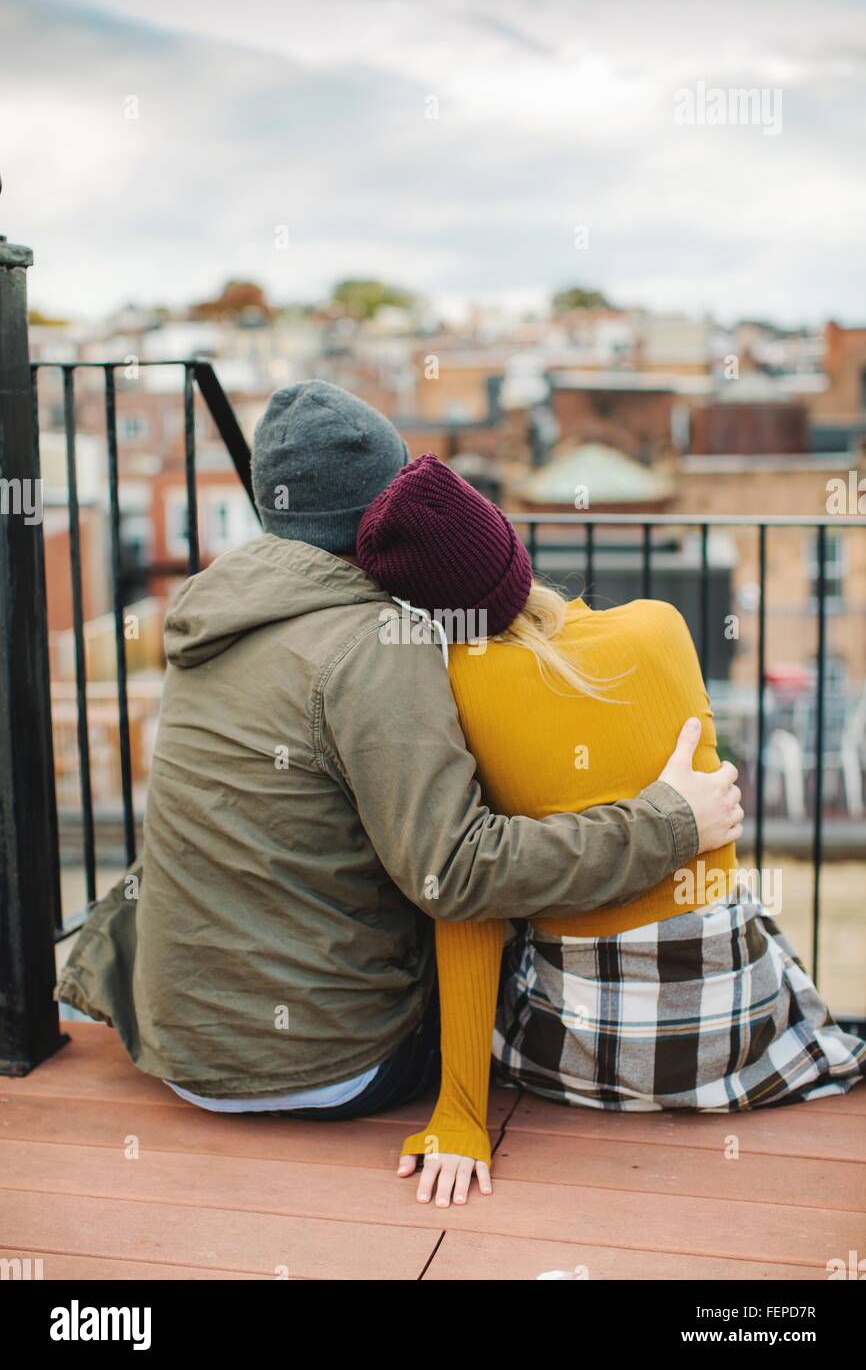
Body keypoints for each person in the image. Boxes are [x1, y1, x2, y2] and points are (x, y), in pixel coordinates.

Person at [57, 382, 740, 1130]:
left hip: (177, 1046)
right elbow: (459, 874)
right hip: (325, 1068)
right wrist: (669, 823)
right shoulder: (378, 647)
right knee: (495, 912)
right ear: (391, 512)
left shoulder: (210, 611)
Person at [355, 454, 866, 1209]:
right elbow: (713, 836)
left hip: (575, 1060)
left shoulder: (453, 695)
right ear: (510, 549)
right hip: (737, 1037)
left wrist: (462, 1114)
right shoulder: (661, 627)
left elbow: (470, 907)